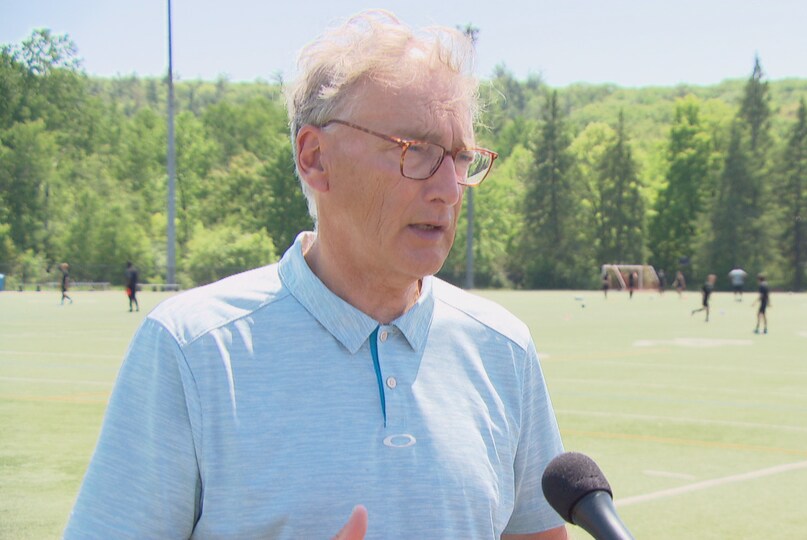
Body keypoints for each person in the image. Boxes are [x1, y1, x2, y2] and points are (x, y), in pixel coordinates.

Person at [65, 11, 566, 540]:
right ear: (315, 157)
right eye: (416, 150)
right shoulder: (194, 350)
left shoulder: (503, 347)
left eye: (460, 157)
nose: (448, 187)